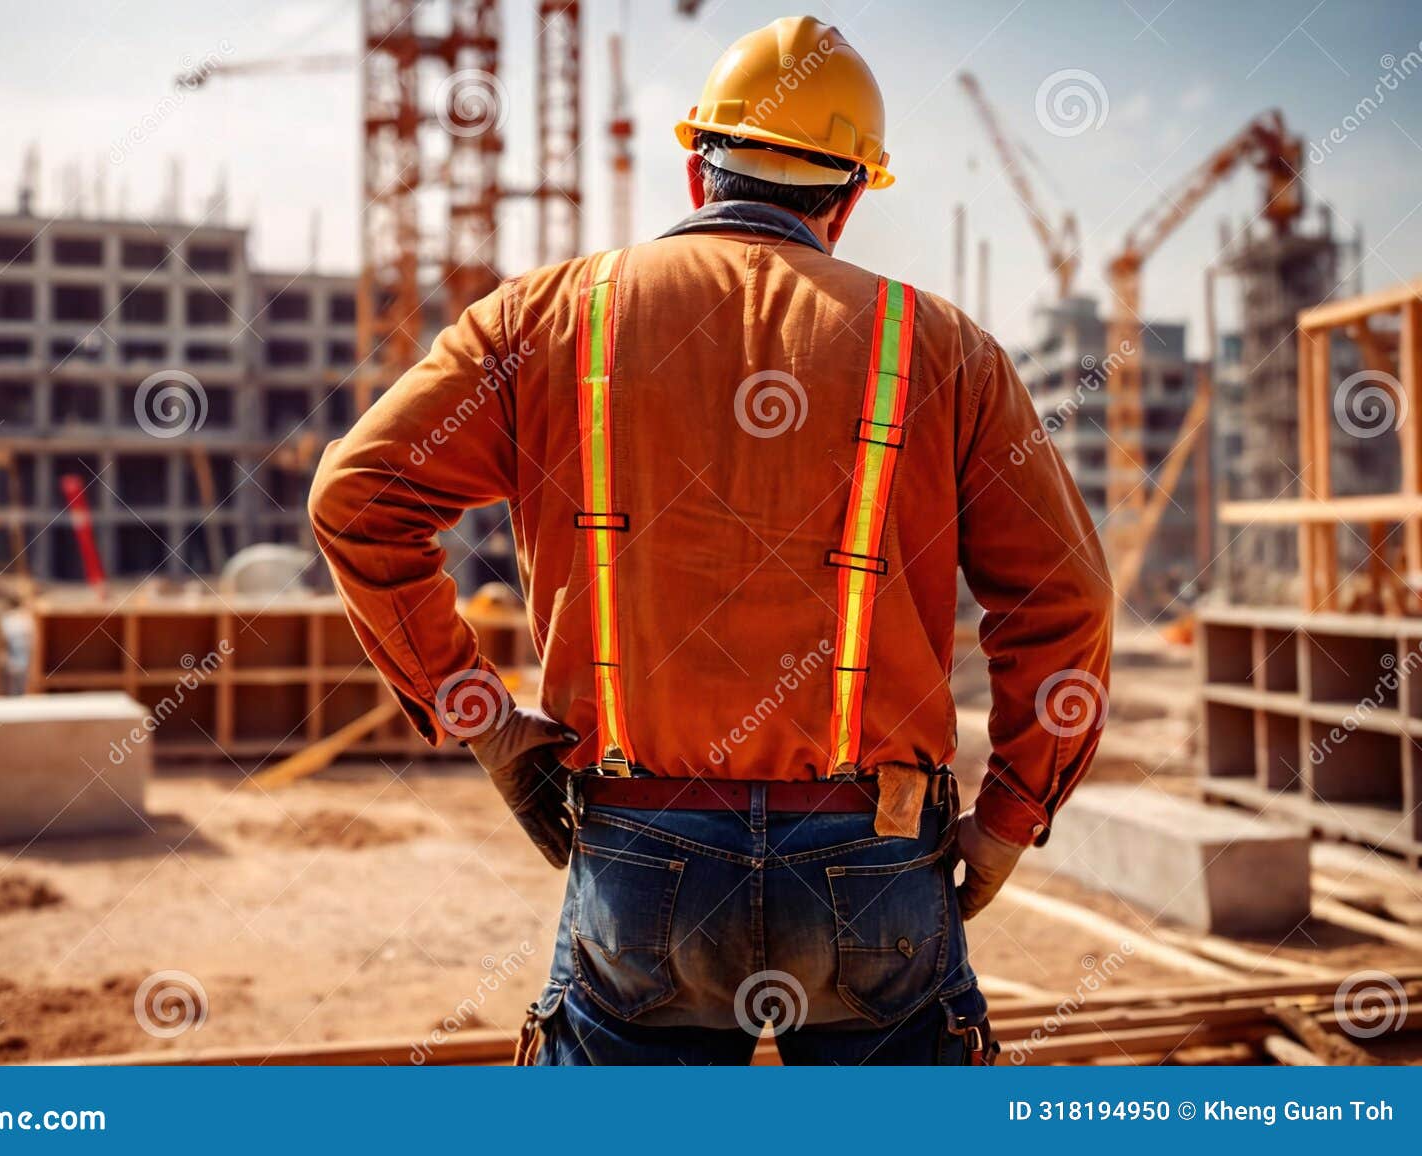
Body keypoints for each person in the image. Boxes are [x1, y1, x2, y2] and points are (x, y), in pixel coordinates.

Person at [310, 14, 1112, 1065]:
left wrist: (487, 720)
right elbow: (1069, 599)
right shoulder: (944, 349)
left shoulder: (545, 321)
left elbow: (357, 496)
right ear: (851, 196)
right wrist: (1009, 817)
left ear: (697, 172)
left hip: (640, 846)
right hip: (876, 851)